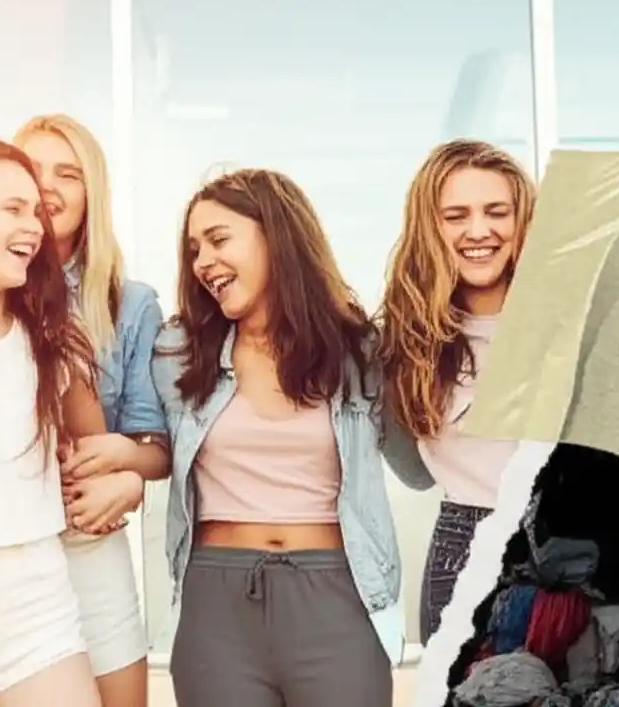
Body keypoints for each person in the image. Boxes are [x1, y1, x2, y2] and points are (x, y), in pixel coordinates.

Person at [151, 168, 433, 706]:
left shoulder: (360, 354)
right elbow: (149, 441)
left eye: (218, 239)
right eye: (193, 248)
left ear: (275, 235)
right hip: (217, 607)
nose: (202, 262)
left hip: (338, 601)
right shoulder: (179, 351)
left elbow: (420, 469)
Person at [0, 139, 104, 706]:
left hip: (37, 599)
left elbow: (99, 455)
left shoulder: (52, 344)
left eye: (36, 210)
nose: (34, 226)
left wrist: (124, 475)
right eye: (12, 208)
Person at [12, 114, 170, 707]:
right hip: (1, 546)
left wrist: (128, 474)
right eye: (32, 169)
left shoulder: (129, 304)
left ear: (92, 191)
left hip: (86, 536)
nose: (48, 186)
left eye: (68, 173)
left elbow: (158, 443)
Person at [377, 139, 535, 642]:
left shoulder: (567, 321)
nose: (478, 231)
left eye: (496, 212)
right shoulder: (403, 342)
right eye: (455, 216)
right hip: (464, 546)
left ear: (523, 220)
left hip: (573, 541)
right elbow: (415, 474)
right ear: (431, 228)